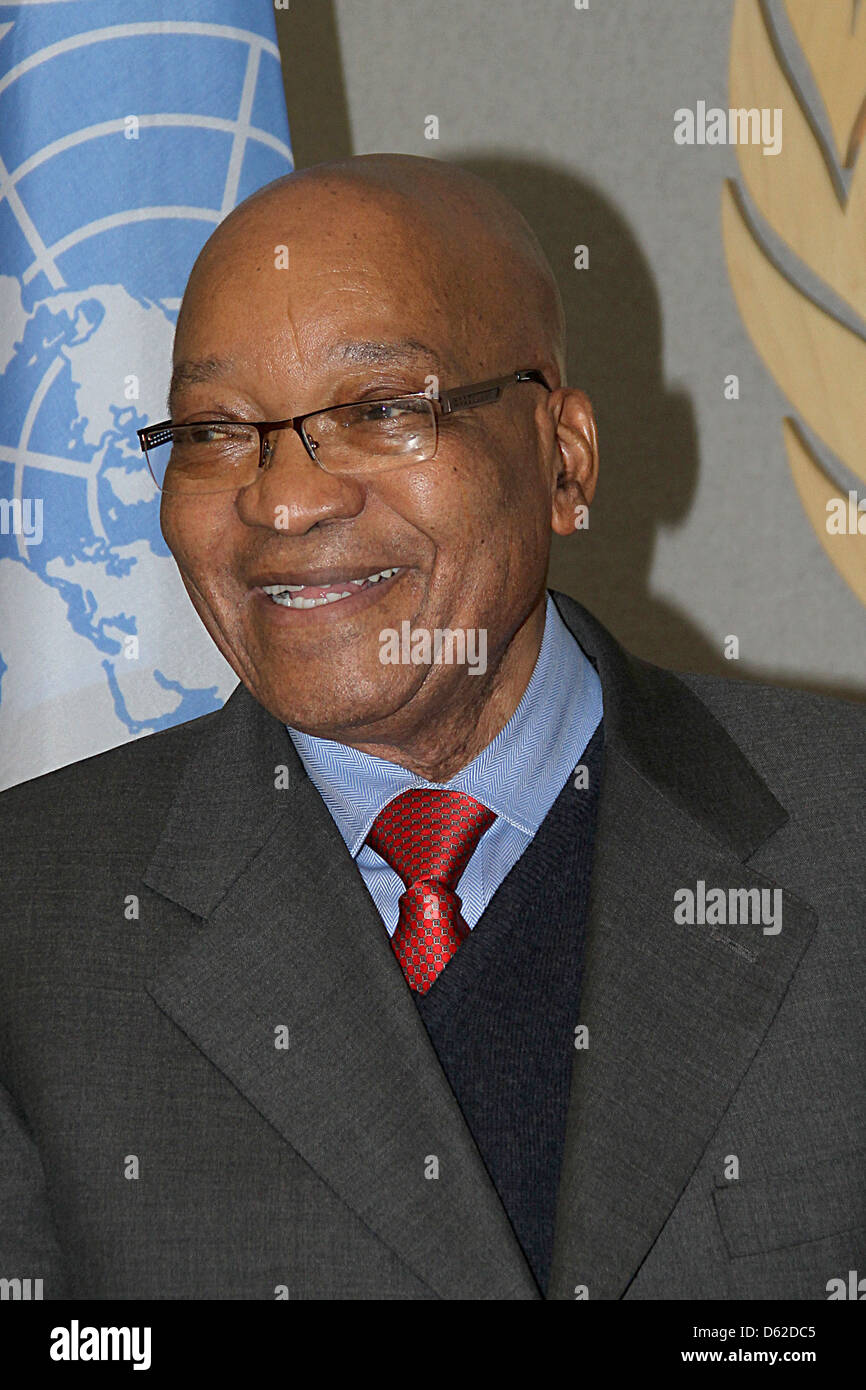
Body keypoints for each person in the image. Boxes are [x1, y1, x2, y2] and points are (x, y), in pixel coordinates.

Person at [1, 155, 863, 1301]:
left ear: (563, 459)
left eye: (378, 411)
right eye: (213, 430)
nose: (284, 498)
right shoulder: (33, 918)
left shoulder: (839, 831)